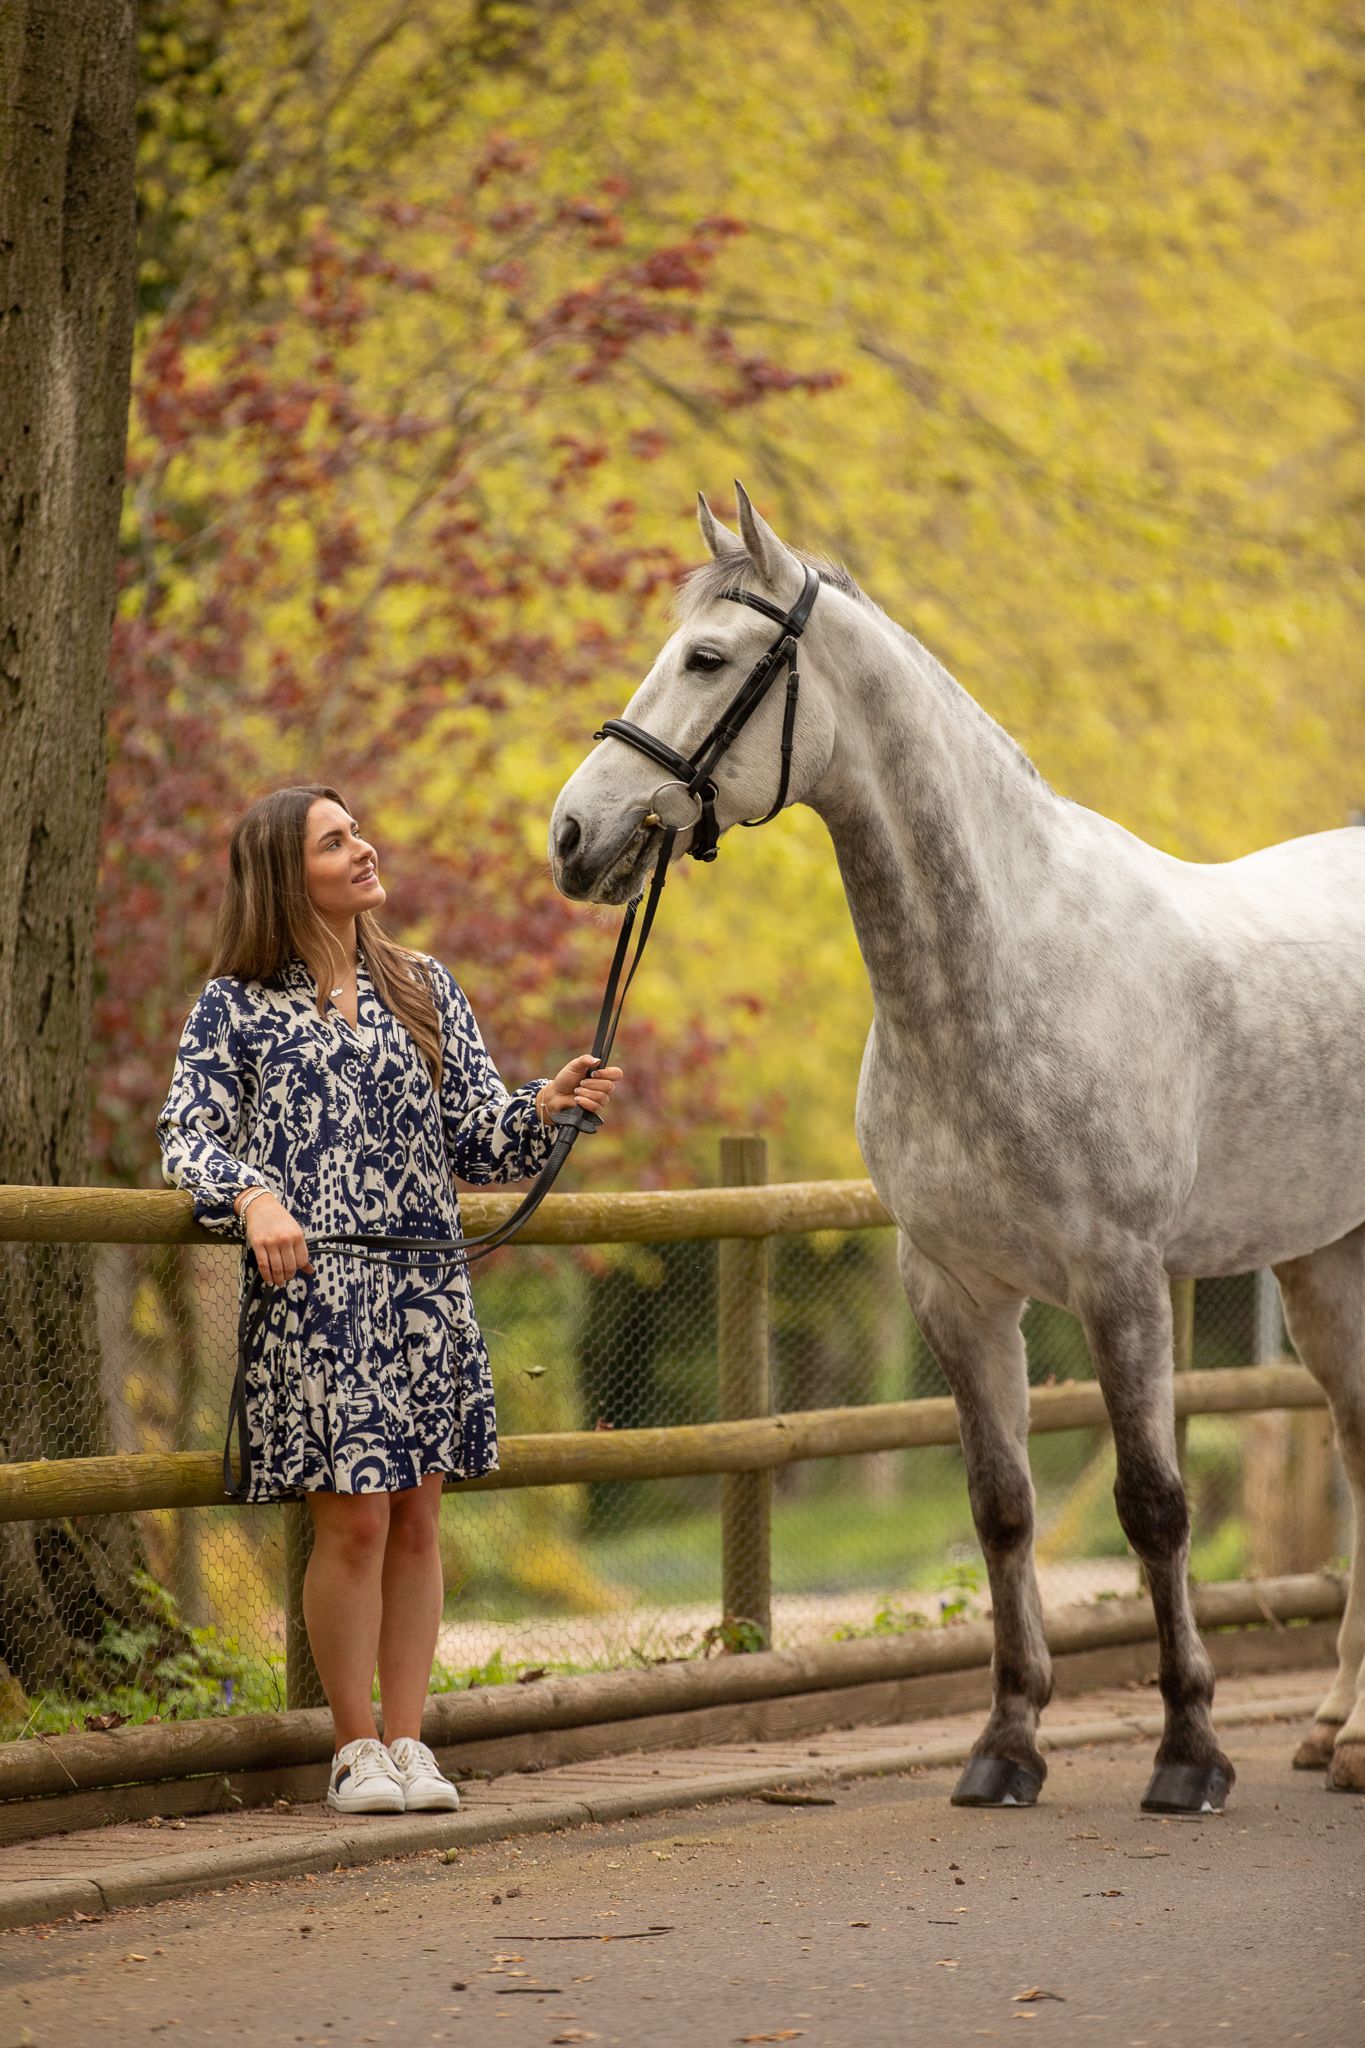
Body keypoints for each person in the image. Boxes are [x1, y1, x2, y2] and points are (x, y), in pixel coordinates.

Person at [157, 784, 621, 1815]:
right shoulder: (235, 1004)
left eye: (356, 829)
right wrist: (253, 1190)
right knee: (356, 1520)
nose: (364, 847)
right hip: (318, 1291)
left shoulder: (422, 984)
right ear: (290, 874)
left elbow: (476, 1135)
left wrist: (542, 1105)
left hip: (424, 1285)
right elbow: (186, 1134)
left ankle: (413, 1744)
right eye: (336, 840)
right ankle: (353, 1746)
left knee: (417, 1517)